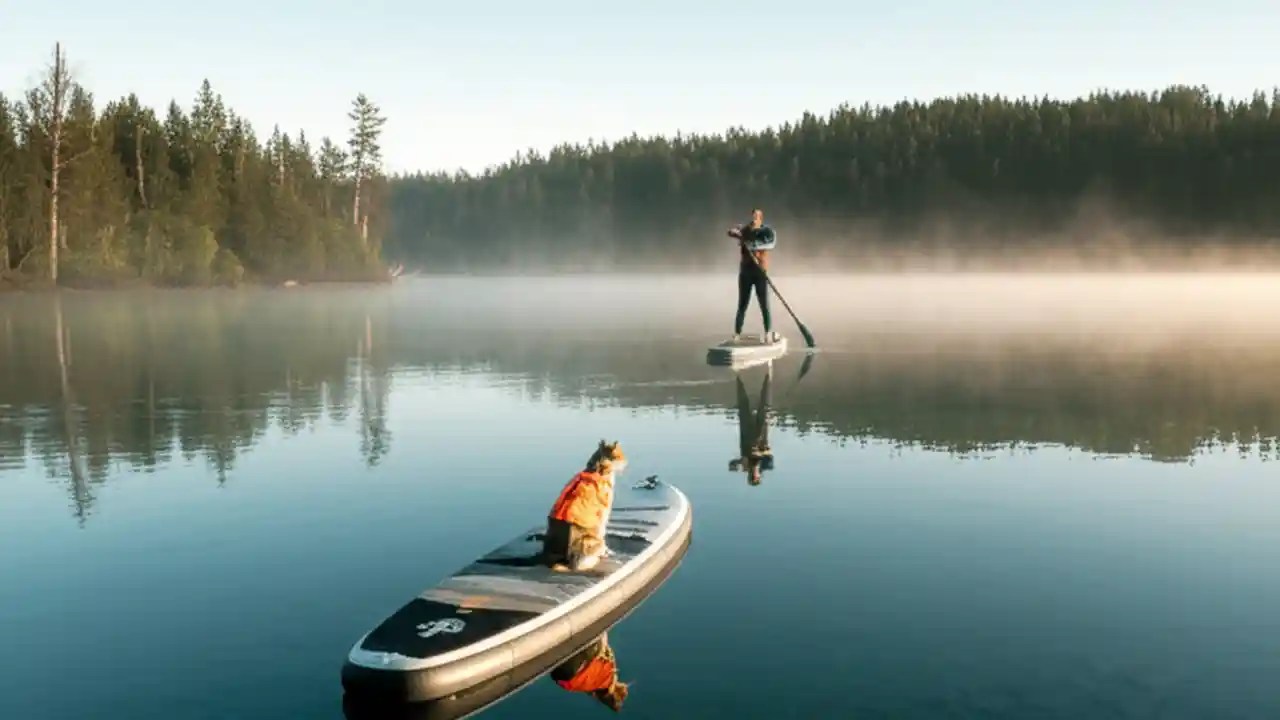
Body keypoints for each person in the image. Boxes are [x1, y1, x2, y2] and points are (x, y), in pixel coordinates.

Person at [543, 440, 627, 572]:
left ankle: (557, 558)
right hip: (579, 528)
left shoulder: (582, 477)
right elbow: (602, 518)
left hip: (556, 523)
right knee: (594, 549)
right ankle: (581, 561)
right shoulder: (603, 484)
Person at [726, 207, 778, 342]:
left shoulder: (767, 231)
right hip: (745, 273)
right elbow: (730, 232)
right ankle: (737, 334)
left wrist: (753, 245)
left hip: (760, 272)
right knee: (742, 304)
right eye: (753, 216)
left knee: (764, 305)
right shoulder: (745, 231)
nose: (754, 219)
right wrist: (736, 233)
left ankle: (767, 333)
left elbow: (771, 244)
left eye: (757, 217)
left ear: (761, 218)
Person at [549, 632, 629, 711]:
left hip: (583, 657)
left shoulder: (609, 672)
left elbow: (603, 637)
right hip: (560, 674)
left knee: (598, 634)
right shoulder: (590, 686)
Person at [728, 365, 774, 486]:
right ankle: (768, 371)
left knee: (743, 406)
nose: (753, 475)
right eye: (756, 477)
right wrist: (763, 453)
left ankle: (737, 373)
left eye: (751, 477)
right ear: (759, 476)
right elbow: (770, 458)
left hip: (746, 433)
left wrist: (736, 464)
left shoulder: (745, 466)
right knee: (764, 407)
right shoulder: (765, 466)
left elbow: (731, 464)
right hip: (760, 433)